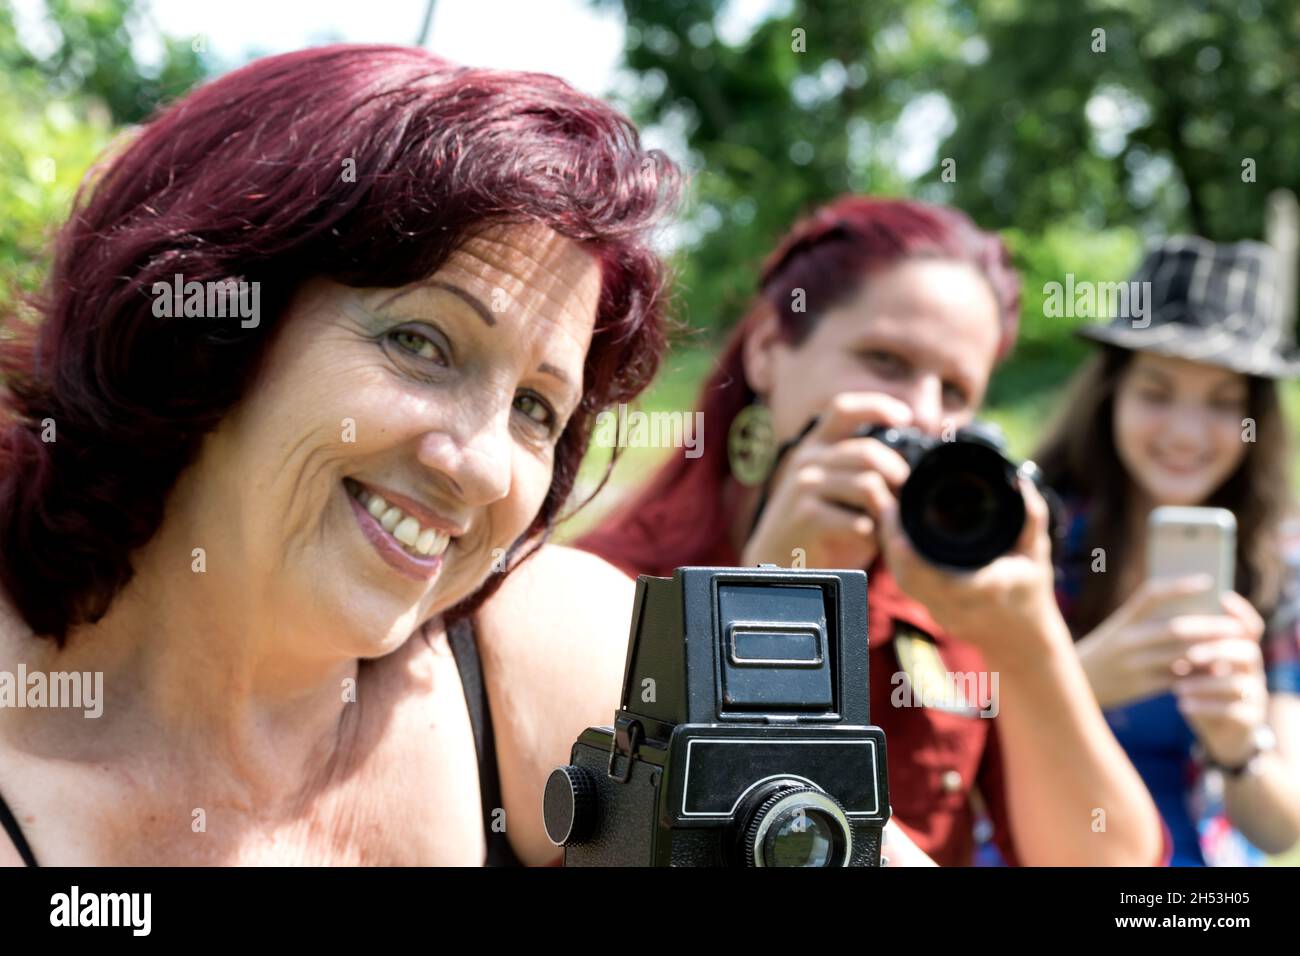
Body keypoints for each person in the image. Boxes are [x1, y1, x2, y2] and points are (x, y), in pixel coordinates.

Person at [0, 44, 679, 865]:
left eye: (536, 407)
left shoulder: (553, 651)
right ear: (205, 334)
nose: (481, 466)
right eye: (421, 341)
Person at [571, 195, 1168, 865]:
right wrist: (763, 591)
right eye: (885, 360)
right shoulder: (608, 591)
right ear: (770, 347)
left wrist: (1030, 646)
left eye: (955, 392)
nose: (918, 412)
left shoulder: (949, 603)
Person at [1035, 237, 1300, 865]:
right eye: (1156, 392)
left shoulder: (1279, 566)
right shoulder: (1029, 528)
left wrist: (1240, 745)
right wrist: (1076, 684)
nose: (1186, 433)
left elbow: (1281, 829)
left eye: (1223, 403)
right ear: (1112, 395)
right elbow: (946, 753)